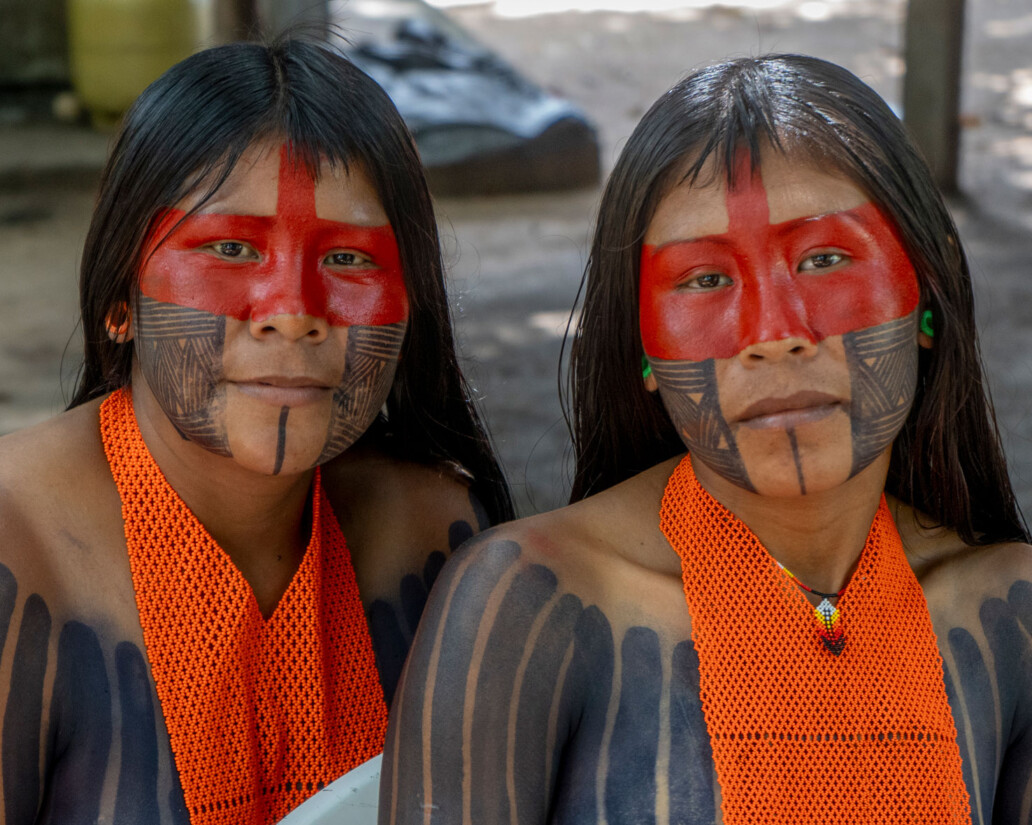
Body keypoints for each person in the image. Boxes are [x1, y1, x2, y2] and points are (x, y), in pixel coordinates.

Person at [381, 54, 1032, 823]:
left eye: (825, 258)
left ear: (929, 290)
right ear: (644, 347)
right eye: (704, 279)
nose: (776, 333)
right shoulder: (527, 602)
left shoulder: (1011, 613)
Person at [0, 36, 512, 824]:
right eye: (231, 248)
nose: (294, 311)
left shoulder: (430, 529)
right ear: (120, 300)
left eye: (347, 258)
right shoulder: (14, 547)